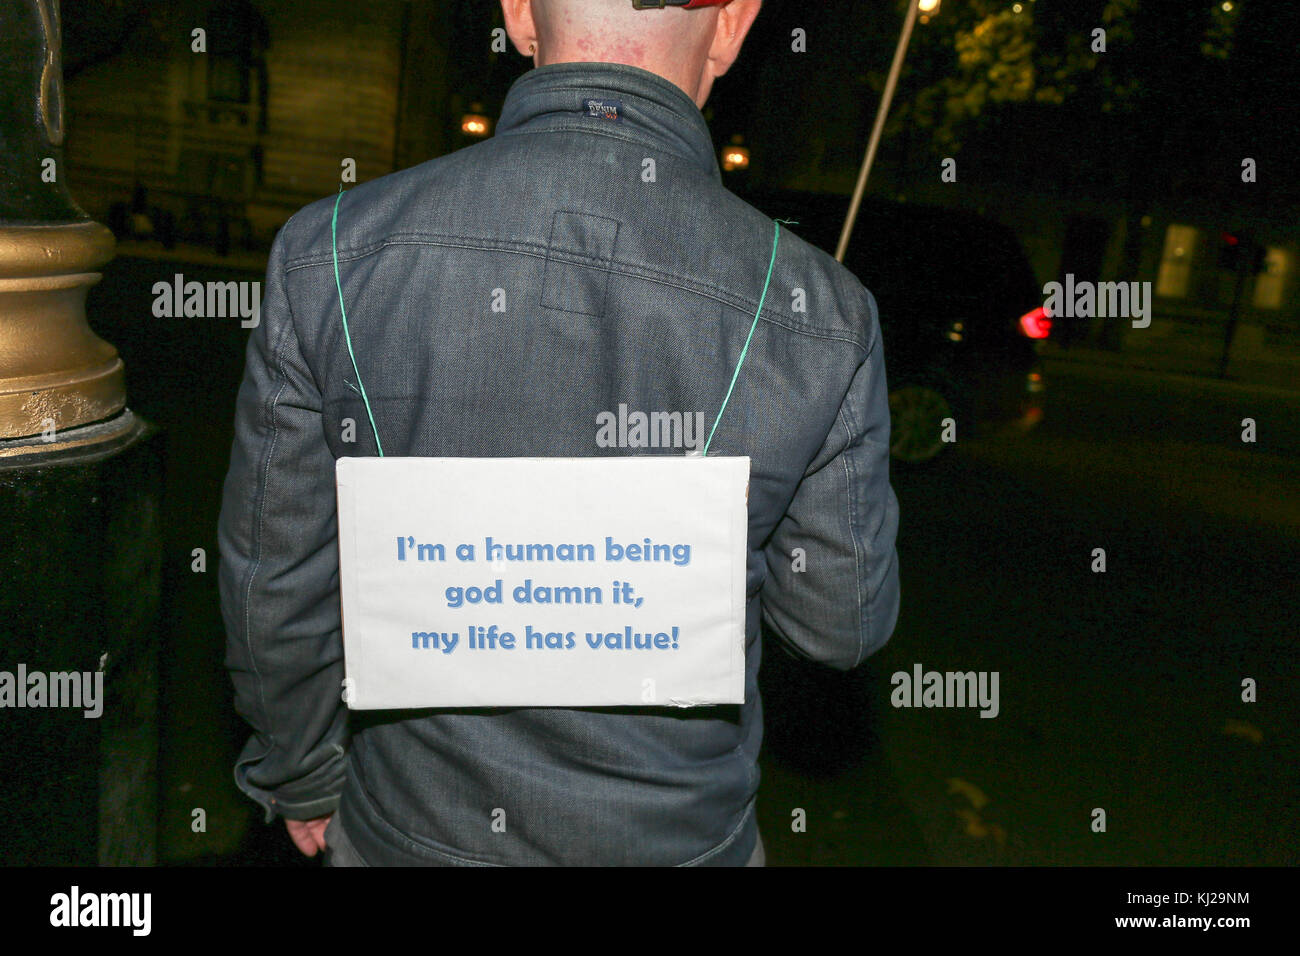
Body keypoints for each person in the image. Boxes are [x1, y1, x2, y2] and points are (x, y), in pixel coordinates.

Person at [218, 0, 900, 867]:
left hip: (408, 837)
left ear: (518, 14)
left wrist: (302, 776)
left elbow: (271, 583)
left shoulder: (329, 252)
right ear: (731, 25)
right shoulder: (825, 312)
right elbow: (840, 624)